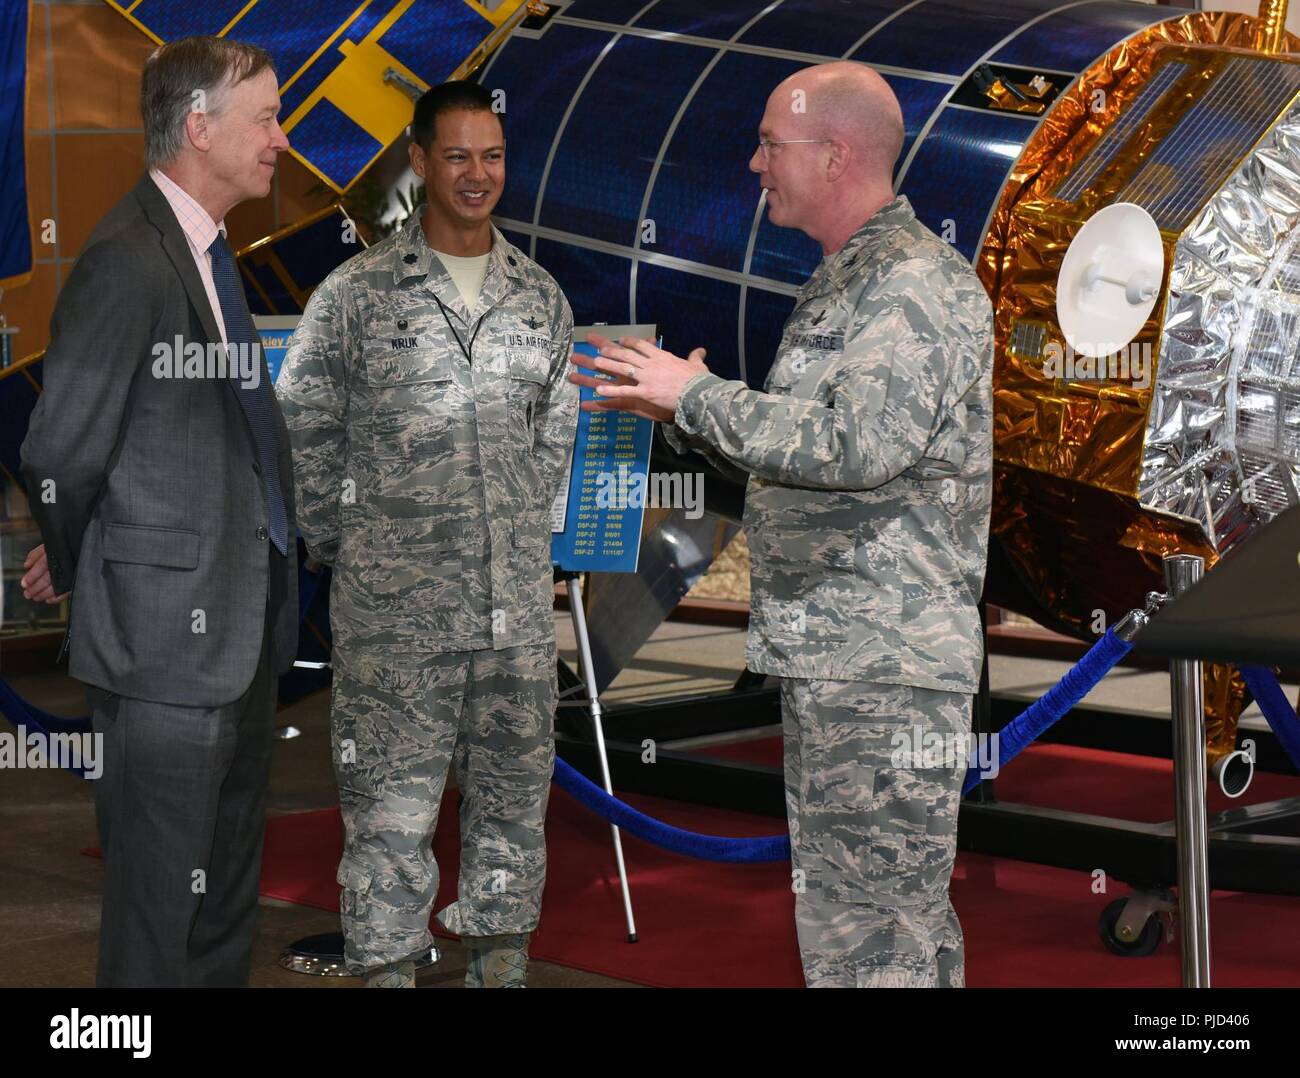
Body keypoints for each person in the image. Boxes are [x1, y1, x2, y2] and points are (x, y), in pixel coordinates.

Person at [570, 61, 993, 988]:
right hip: (842, 657)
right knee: (869, 931)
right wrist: (679, 410)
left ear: (835, 154)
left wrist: (703, 394)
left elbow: (859, 446)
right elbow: (806, 468)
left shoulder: (912, 285)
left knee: (874, 936)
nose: (755, 163)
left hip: (880, 667)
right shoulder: (850, 282)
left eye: (771, 143)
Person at [277, 81, 578, 989]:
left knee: (512, 815)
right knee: (389, 824)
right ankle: (386, 972)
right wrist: (353, 545)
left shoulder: (540, 296)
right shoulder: (358, 297)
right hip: (395, 627)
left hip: (514, 626)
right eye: (457, 156)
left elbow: (554, 436)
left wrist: (519, 542)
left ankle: (499, 967)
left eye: (491, 157)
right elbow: (305, 427)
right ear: (419, 162)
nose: (477, 175)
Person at [19, 36, 297, 987]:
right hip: (163, 655)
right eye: (264, 117)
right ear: (197, 126)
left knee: (221, 903)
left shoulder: (211, 255)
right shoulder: (129, 262)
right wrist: (84, 548)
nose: (282, 139)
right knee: (155, 919)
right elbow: (59, 451)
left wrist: (83, 543)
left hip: (240, 640)